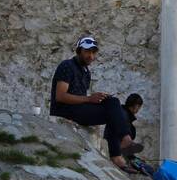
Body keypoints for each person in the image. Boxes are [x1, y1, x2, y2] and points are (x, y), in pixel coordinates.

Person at [49, 36, 137, 169]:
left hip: (78, 108)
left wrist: (96, 99)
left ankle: (122, 145)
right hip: (64, 110)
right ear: (79, 51)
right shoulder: (67, 66)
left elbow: (81, 97)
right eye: (87, 52)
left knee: (113, 103)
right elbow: (60, 96)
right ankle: (119, 150)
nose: (91, 56)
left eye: (93, 52)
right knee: (111, 111)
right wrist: (90, 99)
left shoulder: (86, 72)